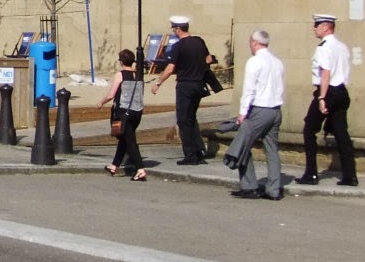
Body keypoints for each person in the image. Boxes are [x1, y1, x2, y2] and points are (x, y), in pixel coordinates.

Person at [226, 29, 285, 200]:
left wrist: (242, 113)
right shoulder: (277, 62)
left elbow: (249, 90)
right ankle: (273, 189)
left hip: (259, 109)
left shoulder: (254, 62)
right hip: (275, 110)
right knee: (272, 150)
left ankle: (249, 186)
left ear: (254, 43)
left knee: (243, 145)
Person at [300, 14, 356, 186]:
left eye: (316, 25)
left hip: (328, 90)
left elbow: (326, 72)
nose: (314, 28)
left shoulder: (324, 47)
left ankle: (311, 174)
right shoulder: (342, 46)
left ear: (325, 27)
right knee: (341, 133)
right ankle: (350, 175)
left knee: (309, 130)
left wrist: (322, 98)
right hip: (341, 91)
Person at [151, 15, 213, 165]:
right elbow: (209, 58)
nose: (173, 30)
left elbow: (170, 68)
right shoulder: (199, 41)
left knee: (183, 120)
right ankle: (199, 150)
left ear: (178, 29)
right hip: (199, 84)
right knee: (191, 117)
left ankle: (191, 156)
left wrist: (158, 83)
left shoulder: (179, 46)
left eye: (173, 28)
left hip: (185, 85)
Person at [98, 49, 148, 181]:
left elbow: (111, 94)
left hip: (123, 112)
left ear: (121, 62)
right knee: (124, 139)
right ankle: (114, 165)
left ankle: (140, 169)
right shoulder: (138, 75)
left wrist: (101, 102)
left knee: (130, 141)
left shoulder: (120, 74)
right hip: (137, 111)